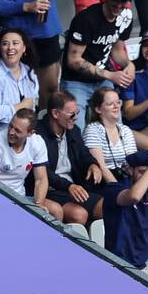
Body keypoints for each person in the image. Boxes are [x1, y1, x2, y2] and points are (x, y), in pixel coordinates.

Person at [39, 89, 104, 225]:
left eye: (77, 112)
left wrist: (93, 164)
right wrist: (68, 186)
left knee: (106, 207)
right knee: (78, 214)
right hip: (49, 189)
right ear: (55, 113)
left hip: (73, 187)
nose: (76, 118)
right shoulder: (38, 134)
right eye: (72, 114)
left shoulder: (73, 130)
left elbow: (84, 153)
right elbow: (43, 172)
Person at [60, 0, 135, 113]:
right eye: (116, 0)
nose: (119, 5)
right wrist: (109, 75)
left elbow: (117, 51)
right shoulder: (86, 18)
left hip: (103, 80)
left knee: (114, 120)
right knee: (74, 121)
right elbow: (73, 60)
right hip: (76, 81)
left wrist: (129, 64)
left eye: (123, 1)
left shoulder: (126, 16)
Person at [0, 108, 52, 208]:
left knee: (55, 209)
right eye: (10, 126)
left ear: (30, 133)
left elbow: (41, 179)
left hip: (21, 197)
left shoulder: (37, 142)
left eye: (17, 130)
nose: (11, 132)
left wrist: (39, 205)